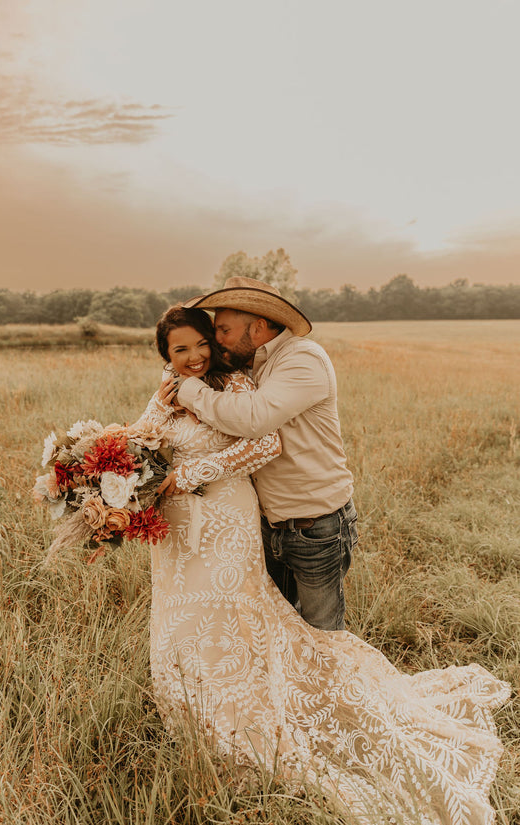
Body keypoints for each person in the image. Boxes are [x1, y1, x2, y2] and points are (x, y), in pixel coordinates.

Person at [132, 304, 510, 825]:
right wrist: (107, 474)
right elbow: (144, 438)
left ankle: (332, 715)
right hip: (205, 527)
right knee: (214, 625)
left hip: (286, 519)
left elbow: (262, 434)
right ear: (165, 354)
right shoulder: (190, 384)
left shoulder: (272, 371)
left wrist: (195, 459)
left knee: (307, 630)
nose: (204, 350)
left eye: (213, 337)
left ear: (255, 328)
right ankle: (209, 712)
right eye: (186, 347)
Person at [176, 276, 356, 632]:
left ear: (258, 326)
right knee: (280, 633)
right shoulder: (249, 365)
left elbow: (255, 418)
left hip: (315, 525)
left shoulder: (303, 358)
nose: (217, 339)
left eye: (224, 329)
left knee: (323, 635)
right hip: (268, 526)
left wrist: (191, 392)